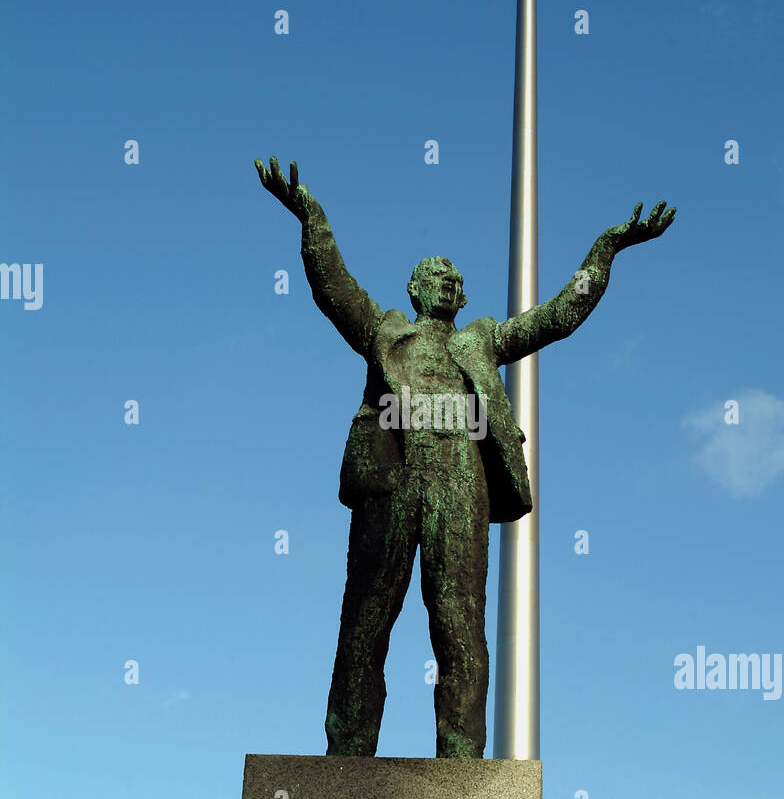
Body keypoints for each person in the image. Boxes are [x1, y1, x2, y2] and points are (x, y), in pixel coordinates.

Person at [255, 156, 676, 757]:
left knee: (459, 629)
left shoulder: (483, 340)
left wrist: (607, 248)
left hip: (461, 478)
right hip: (392, 477)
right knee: (365, 624)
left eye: (457, 277)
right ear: (414, 289)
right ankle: (346, 756)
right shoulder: (383, 330)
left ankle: (461, 764)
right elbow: (332, 287)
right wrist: (310, 215)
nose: (449, 281)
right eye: (436, 273)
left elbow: (559, 316)